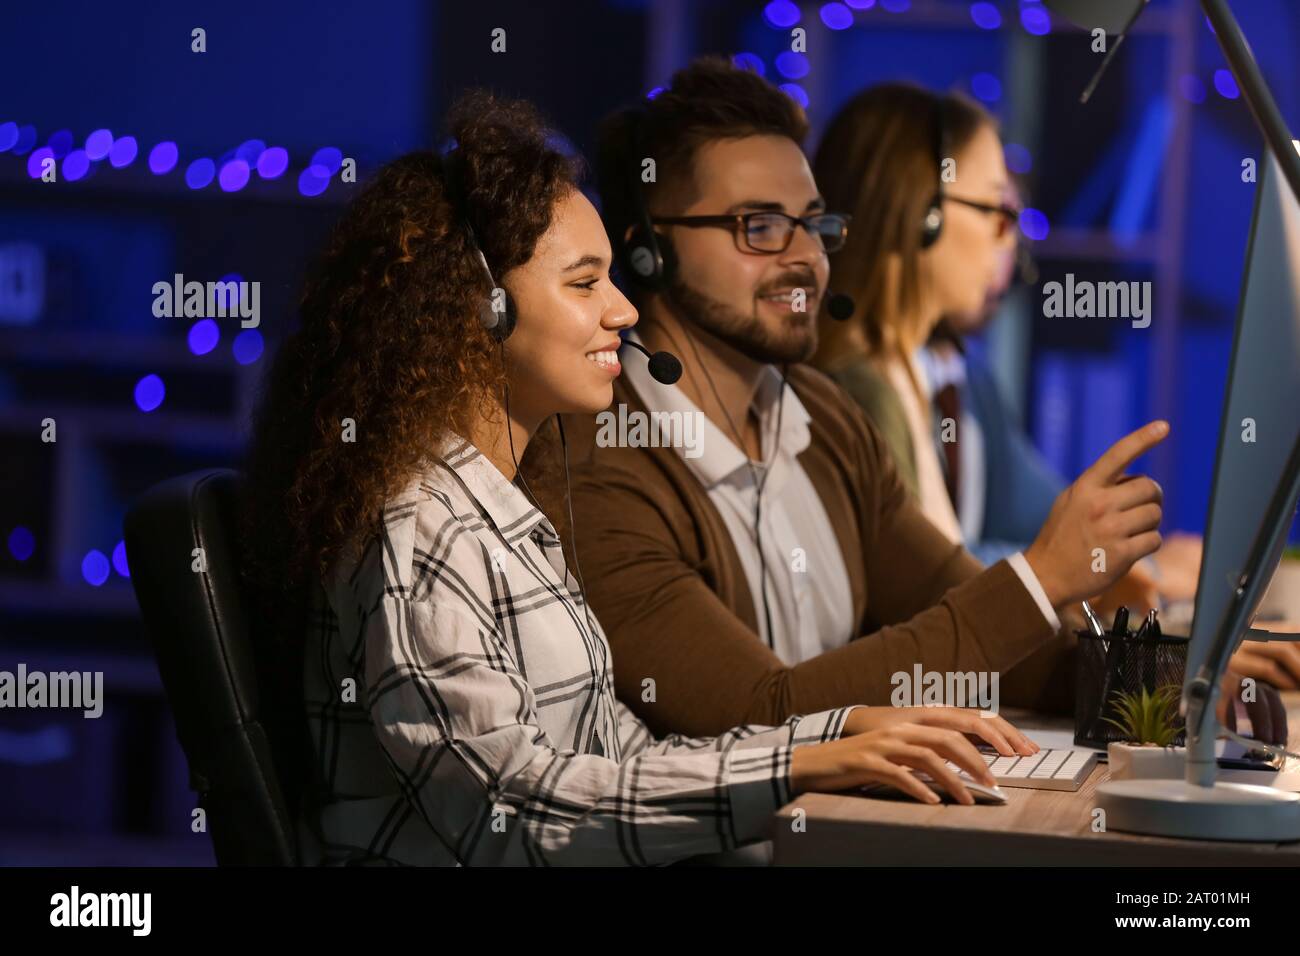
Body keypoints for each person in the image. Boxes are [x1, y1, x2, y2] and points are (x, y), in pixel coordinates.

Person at [239, 90, 1039, 867]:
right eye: (585, 284)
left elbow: (620, 755)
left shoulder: (511, 511)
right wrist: (800, 764)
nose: (624, 311)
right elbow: (509, 813)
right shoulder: (423, 531)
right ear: (476, 311)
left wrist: (835, 735)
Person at [560, 57, 1170, 739]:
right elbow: (758, 710)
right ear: (649, 250)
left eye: (815, 225)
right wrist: (1041, 578)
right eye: (759, 226)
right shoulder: (597, 463)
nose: (805, 258)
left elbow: (972, 624)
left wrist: (1178, 683)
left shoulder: (825, 418)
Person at [813, 82, 1290, 687]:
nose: (1012, 237)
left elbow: (1039, 528)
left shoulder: (952, 376)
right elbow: (930, 595)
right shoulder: (853, 392)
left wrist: (1115, 564)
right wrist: (1152, 655)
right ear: (921, 212)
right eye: (997, 211)